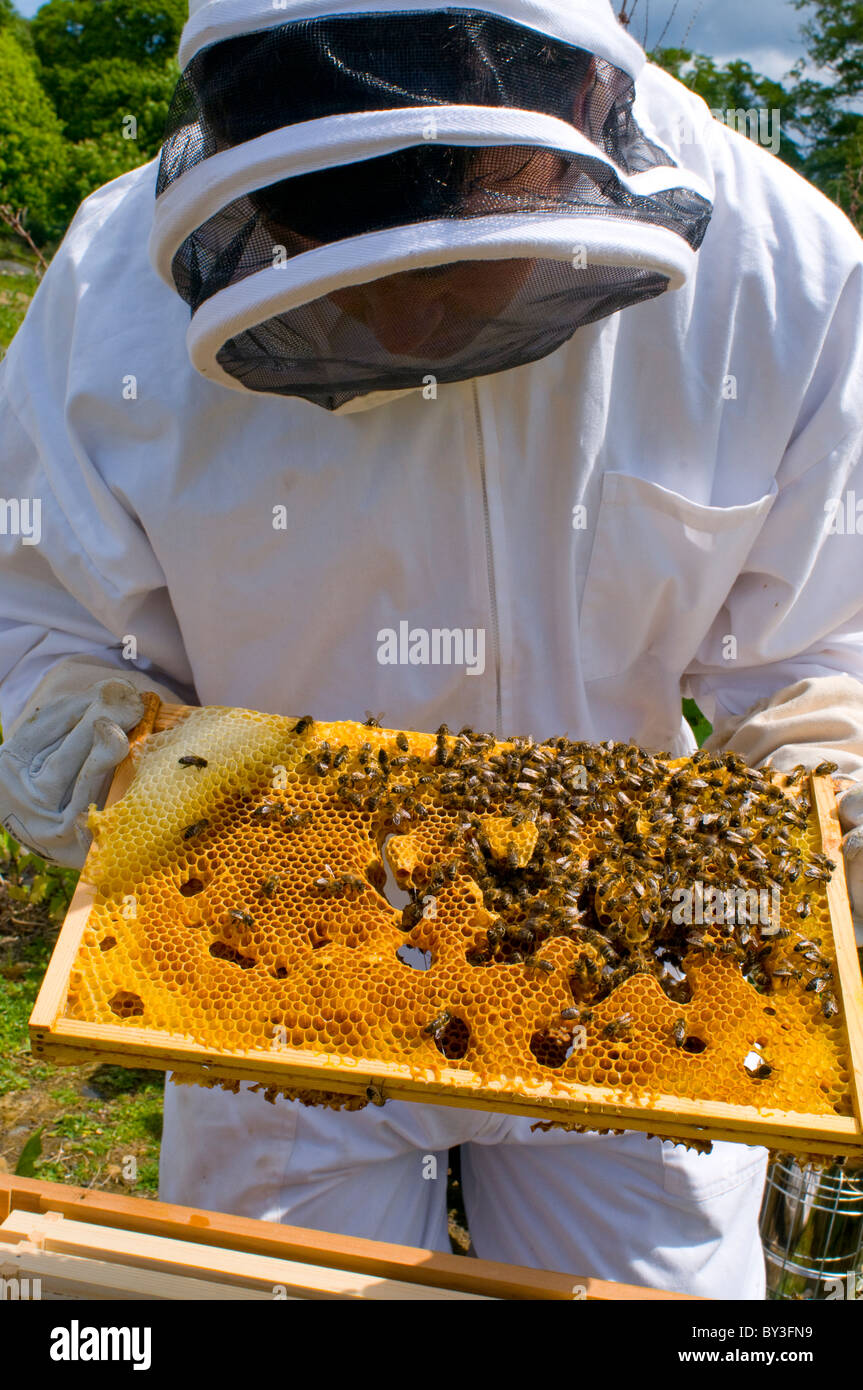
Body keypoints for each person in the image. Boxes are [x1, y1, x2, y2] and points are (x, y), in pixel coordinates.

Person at [1, 0, 862, 1298]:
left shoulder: (784, 273)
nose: (409, 325)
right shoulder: (108, 286)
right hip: (267, 934)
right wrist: (82, 723)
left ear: (580, 109)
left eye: (453, 254)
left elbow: (823, 637)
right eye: (329, 240)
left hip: (639, 969)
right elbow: (40, 606)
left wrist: (832, 773)